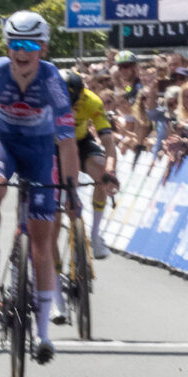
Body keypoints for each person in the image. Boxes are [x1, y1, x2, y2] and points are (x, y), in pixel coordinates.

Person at [0, 11, 79, 363]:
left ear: (42, 48)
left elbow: (68, 142)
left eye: (30, 45)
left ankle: (43, 333)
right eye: (15, 44)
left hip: (40, 148)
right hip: (2, 139)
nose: (22, 52)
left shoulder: (54, 81)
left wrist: (70, 190)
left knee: (42, 243)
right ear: (7, 46)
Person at [62, 69, 118, 257]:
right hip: (52, 142)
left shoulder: (92, 101)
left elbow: (108, 142)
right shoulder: (46, 97)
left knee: (101, 170)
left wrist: (110, 172)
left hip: (80, 140)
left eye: (74, 102)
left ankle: (95, 234)